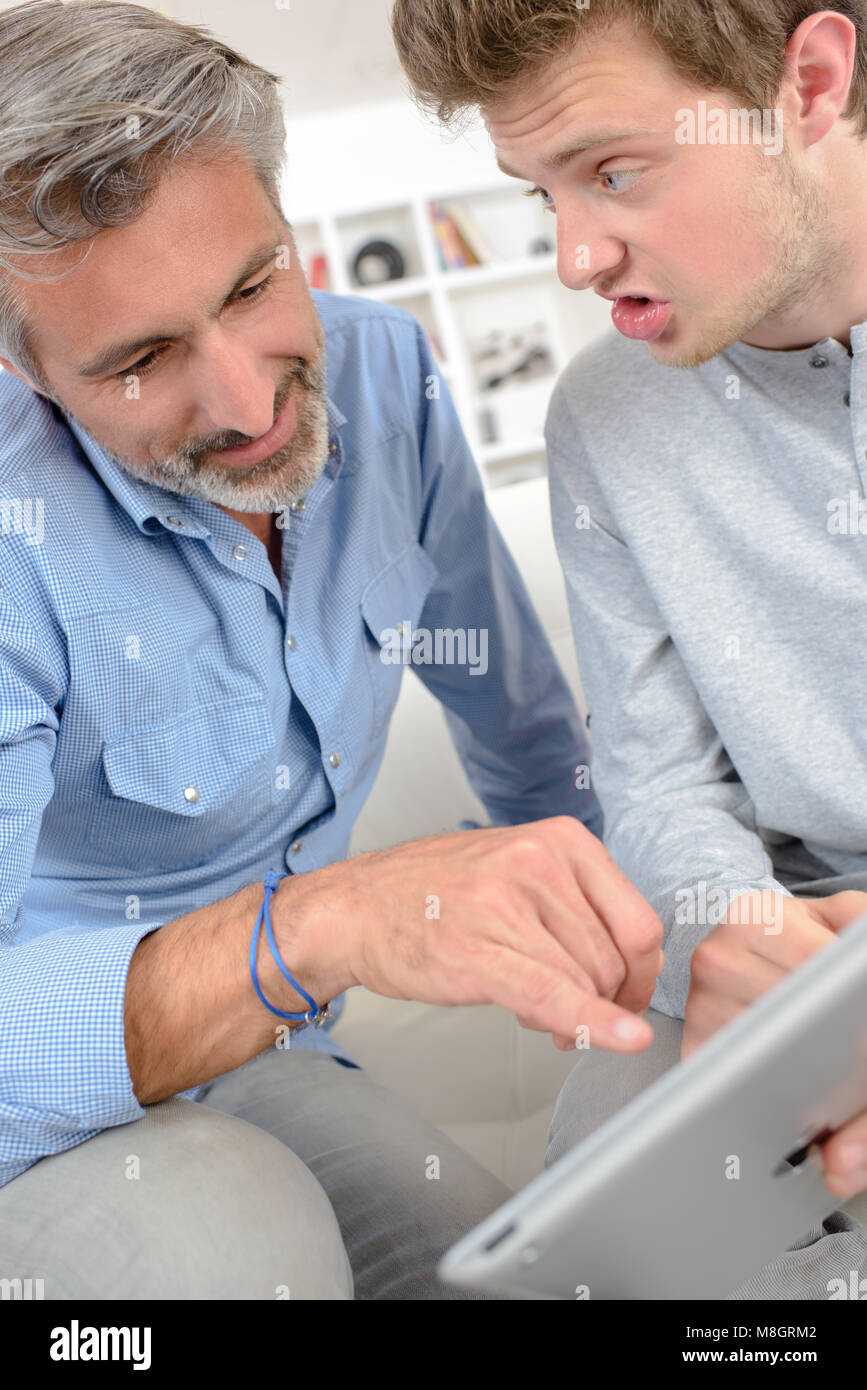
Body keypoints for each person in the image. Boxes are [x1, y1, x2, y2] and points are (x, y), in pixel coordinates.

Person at [0, 0, 666, 1300]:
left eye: (255, 285)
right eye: (141, 360)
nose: (250, 406)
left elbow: (533, 752)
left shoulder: (387, 378)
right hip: (37, 1109)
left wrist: (668, 982)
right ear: (25, 371)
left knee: (520, 1269)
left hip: (273, 1059)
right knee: (239, 1237)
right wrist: (311, 925)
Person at [392, 0, 867, 1296]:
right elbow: (657, 780)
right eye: (537, 190)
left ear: (810, 85)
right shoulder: (604, 421)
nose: (574, 256)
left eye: (613, 171)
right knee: (594, 1257)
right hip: (784, 939)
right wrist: (741, 925)